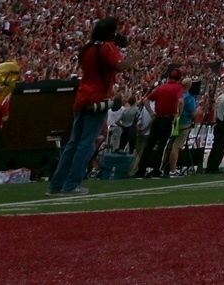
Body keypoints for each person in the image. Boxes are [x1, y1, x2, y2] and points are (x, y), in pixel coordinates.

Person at [48, 17, 125, 197]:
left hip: (82, 97)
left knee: (73, 143)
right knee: (86, 143)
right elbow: (119, 66)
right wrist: (135, 58)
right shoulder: (108, 47)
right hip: (97, 99)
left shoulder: (87, 48)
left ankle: (56, 185)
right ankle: (72, 184)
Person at [138, 67, 185, 177]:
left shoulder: (161, 87)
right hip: (168, 118)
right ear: (179, 79)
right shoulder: (178, 88)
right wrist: (178, 114)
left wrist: (151, 113)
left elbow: (145, 100)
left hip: (157, 118)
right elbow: (181, 101)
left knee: (149, 145)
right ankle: (156, 169)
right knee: (162, 145)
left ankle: (141, 169)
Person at [204, 76, 224, 174]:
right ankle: (214, 166)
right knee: (221, 146)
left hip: (218, 122)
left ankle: (210, 165)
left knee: (215, 145)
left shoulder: (220, 97)